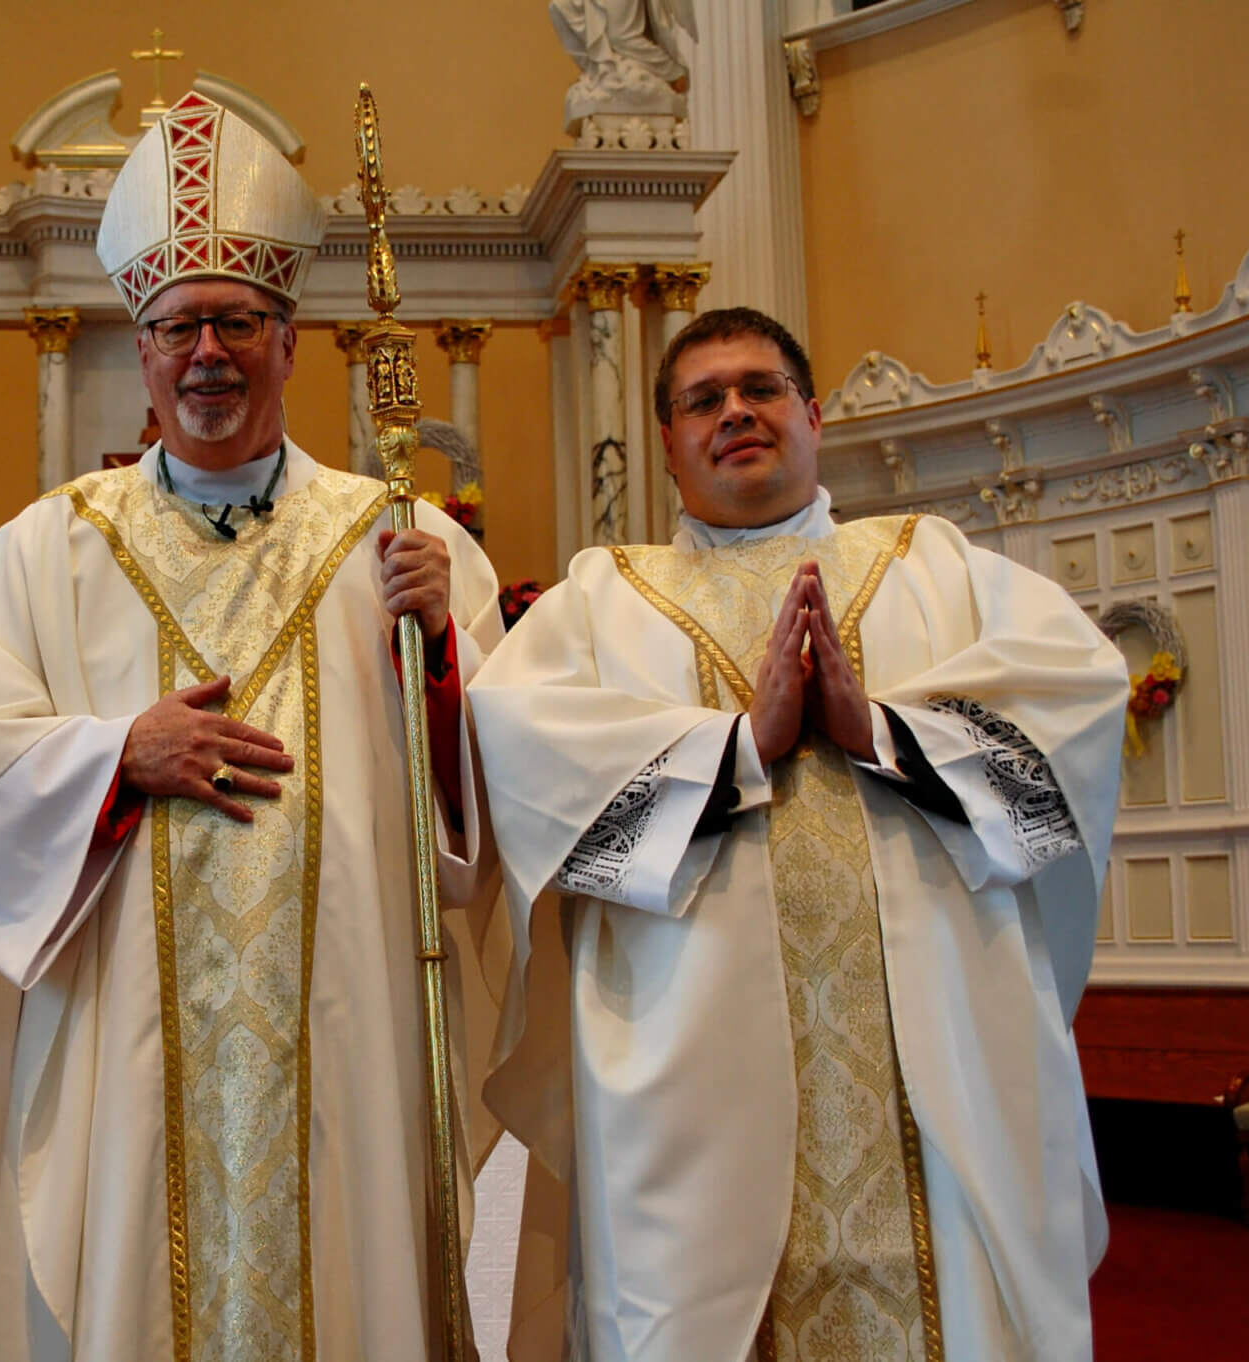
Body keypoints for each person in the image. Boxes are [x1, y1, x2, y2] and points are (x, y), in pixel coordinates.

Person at [0, 90, 506, 1360]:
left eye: (239, 322)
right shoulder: (46, 549)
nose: (209, 354)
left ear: (292, 342)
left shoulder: (406, 542)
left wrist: (442, 654)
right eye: (179, 326)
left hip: (351, 1021)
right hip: (123, 1026)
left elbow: (480, 826)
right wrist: (111, 757)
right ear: (142, 348)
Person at [469, 307, 1128, 1362]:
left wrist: (883, 733)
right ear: (668, 446)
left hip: (937, 1084)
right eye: (701, 400)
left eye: (759, 389)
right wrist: (735, 748)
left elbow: (1077, 708)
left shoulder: (936, 565)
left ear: (812, 417)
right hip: (688, 1096)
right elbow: (529, 770)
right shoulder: (600, 599)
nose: (733, 411)